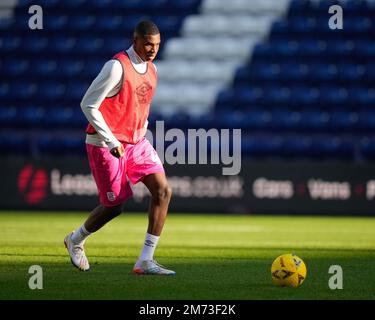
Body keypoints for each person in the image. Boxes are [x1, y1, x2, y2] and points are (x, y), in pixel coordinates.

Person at [64, 20, 175, 275]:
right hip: (105, 143)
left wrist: (141, 131)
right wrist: (112, 140)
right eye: (148, 44)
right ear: (135, 41)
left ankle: (145, 260)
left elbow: (140, 107)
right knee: (115, 206)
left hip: (136, 143)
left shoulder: (153, 70)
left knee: (163, 190)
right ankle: (76, 239)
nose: (152, 49)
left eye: (156, 44)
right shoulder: (116, 67)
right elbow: (88, 104)